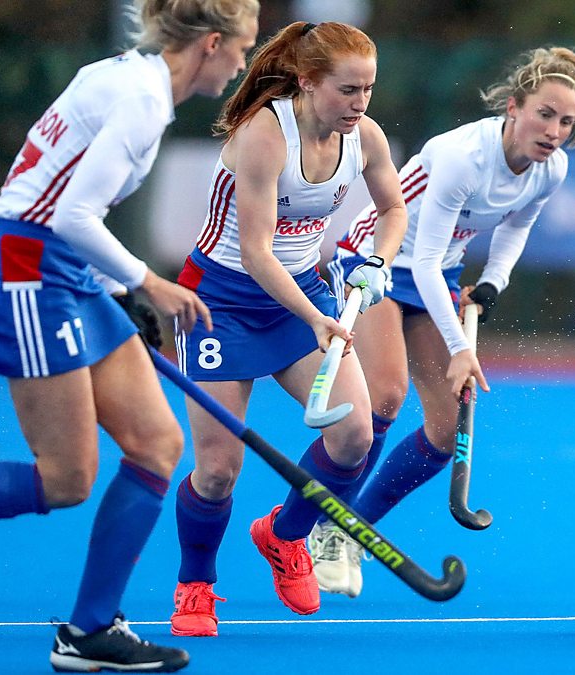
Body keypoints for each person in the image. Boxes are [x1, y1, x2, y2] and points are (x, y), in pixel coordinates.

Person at [0, 0, 259, 670]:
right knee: (65, 477)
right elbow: (70, 215)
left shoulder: (131, 77)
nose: (243, 64)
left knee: (157, 444)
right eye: (242, 49)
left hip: (66, 268)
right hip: (28, 268)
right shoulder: (142, 101)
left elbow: (72, 205)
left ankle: (90, 630)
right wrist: (147, 282)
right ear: (212, 43)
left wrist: (121, 288)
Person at [310, 46, 575, 598]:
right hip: (376, 261)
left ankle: (350, 530)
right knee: (387, 396)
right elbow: (417, 259)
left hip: (437, 275)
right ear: (514, 107)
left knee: (447, 432)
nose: (554, 131)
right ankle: (327, 524)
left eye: (566, 121)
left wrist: (493, 282)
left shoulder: (551, 169)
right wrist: (461, 348)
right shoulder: (461, 158)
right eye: (544, 114)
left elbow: (516, 228)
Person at [166, 21, 405, 637]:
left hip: (302, 296)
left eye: (368, 91)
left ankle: (284, 534)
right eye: (348, 91)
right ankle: (196, 586)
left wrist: (378, 259)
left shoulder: (366, 138)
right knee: (218, 469)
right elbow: (255, 252)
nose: (360, 104)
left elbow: (394, 208)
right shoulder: (264, 136)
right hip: (219, 301)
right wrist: (317, 318)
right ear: (307, 82)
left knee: (353, 436)